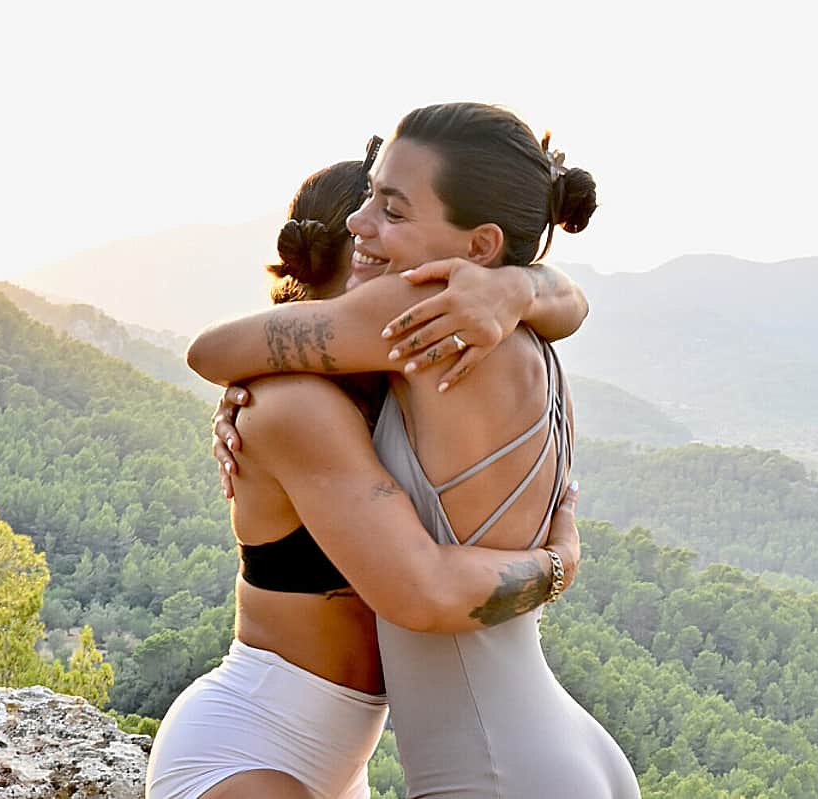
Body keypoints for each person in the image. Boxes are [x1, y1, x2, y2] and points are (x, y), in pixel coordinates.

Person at [188, 103, 641, 798]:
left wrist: (558, 566)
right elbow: (570, 300)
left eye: (392, 212)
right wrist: (525, 284)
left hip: (493, 764)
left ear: (479, 247)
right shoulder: (527, 341)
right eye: (369, 200)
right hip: (565, 750)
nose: (362, 226)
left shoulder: (419, 322)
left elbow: (208, 350)